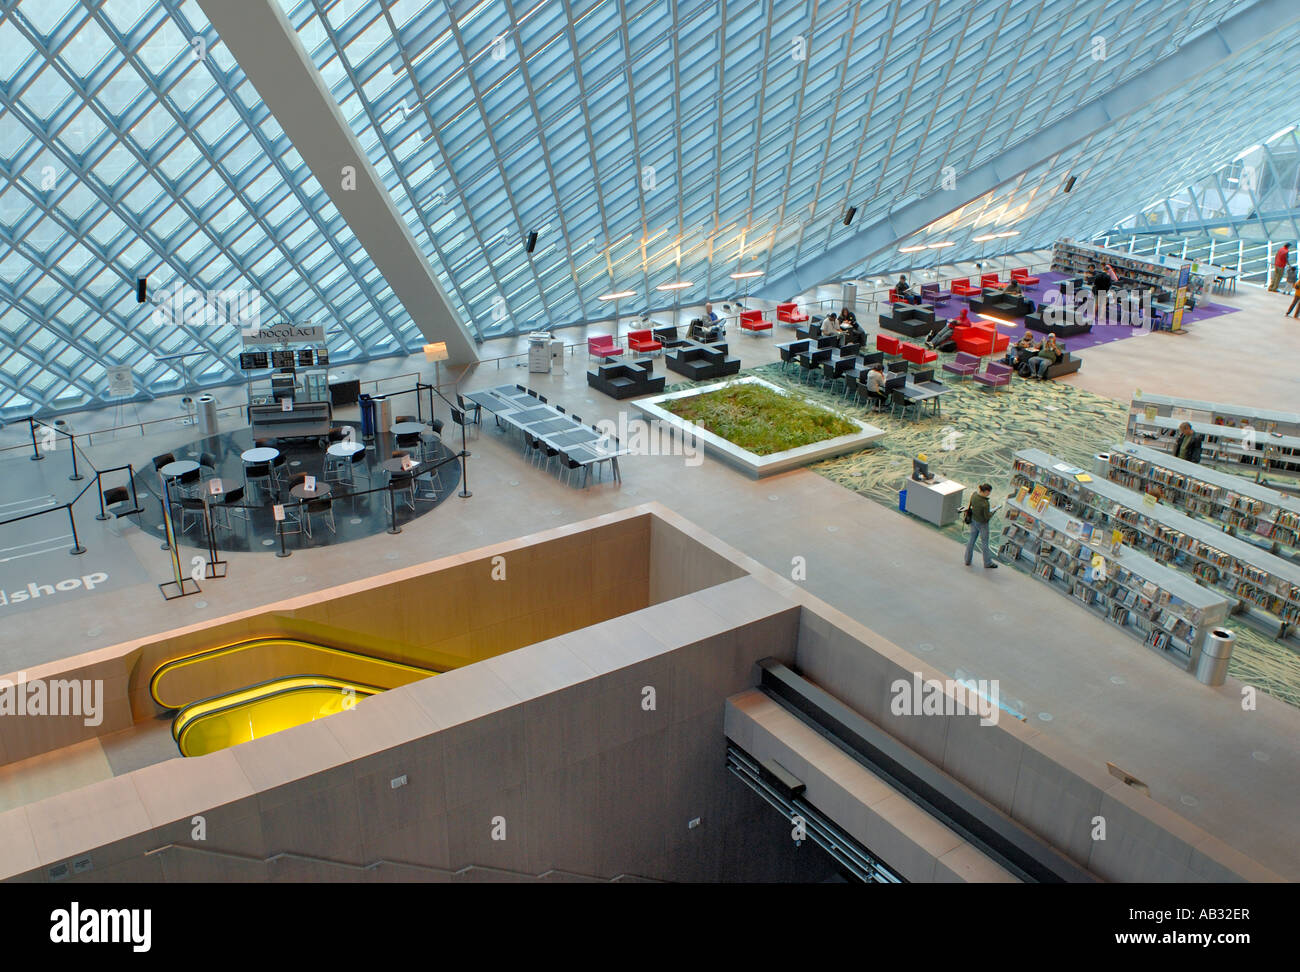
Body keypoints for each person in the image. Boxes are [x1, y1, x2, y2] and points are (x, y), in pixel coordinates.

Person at [963, 483, 998, 569]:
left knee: (971, 540)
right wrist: (994, 511)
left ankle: (967, 560)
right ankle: (987, 562)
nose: (989, 494)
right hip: (982, 524)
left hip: (973, 521)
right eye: (989, 492)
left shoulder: (974, 495)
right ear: (986, 491)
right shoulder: (985, 503)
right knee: (985, 543)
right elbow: (987, 517)